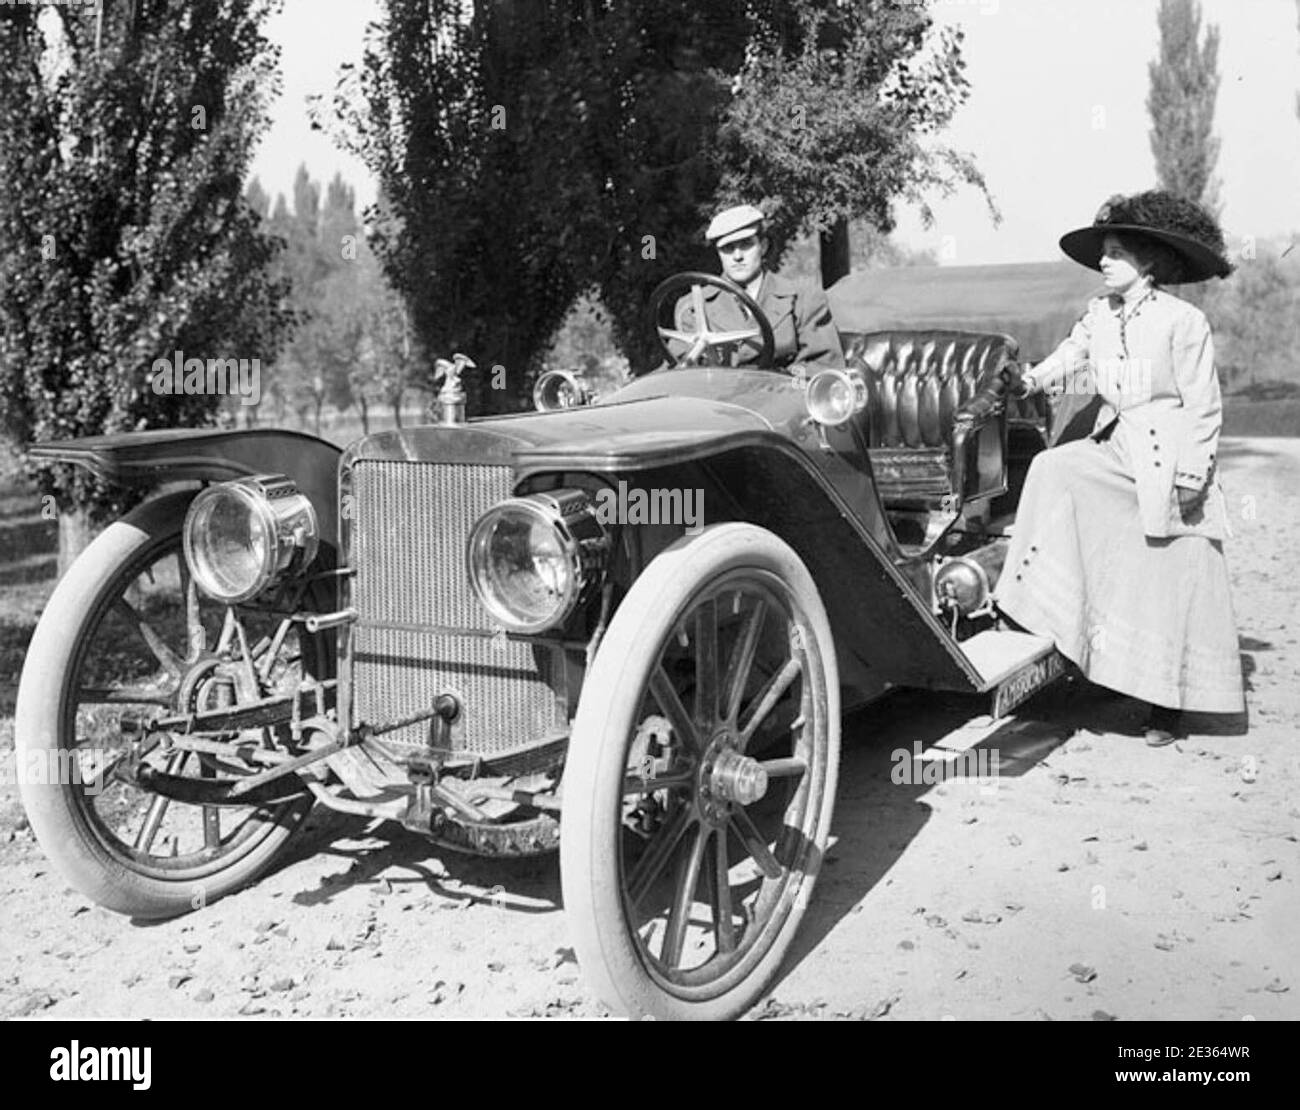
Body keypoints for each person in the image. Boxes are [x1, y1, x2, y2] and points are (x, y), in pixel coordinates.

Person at [994, 190, 1244, 746]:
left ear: (1147, 263)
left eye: (1115, 252)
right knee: (1052, 469)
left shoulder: (1184, 322)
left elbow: (1204, 407)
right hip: (1113, 449)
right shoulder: (1097, 316)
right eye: (1102, 252)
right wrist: (1028, 381)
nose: (1103, 262)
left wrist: (1190, 479)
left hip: (1170, 460)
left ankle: (1167, 705)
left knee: (1167, 578)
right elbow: (1069, 357)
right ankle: (1027, 610)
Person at [671, 204, 843, 369]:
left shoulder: (802, 299)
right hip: (716, 395)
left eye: (746, 244)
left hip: (780, 394)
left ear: (763, 246)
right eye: (727, 248)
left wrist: (787, 384)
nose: (737, 256)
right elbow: (679, 369)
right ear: (719, 254)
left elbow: (822, 366)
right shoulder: (694, 307)